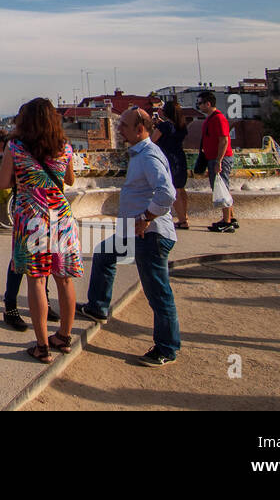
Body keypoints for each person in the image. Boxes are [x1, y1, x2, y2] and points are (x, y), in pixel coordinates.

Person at [76, 106, 181, 366]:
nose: (118, 129)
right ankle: (97, 306)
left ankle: (167, 348)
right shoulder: (140, 154)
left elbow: (167, 194)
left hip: (150, 233)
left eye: (123, 125)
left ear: (140, 128)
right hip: (134, 230)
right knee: (104, 254)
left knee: (158, 293)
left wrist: (146, 218)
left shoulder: (148, 156)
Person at [0, 98, 80, 362]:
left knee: (37, 279)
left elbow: (1, 184)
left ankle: (42, 345)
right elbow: (69, 179)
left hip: (32, 218)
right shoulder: (64, 147)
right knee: (64, 279)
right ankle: (64, 336)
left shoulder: (16, 146)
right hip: (62, 218)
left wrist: (26, 176)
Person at [198, 90, 237, 233]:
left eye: (200, 103)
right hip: (213, 157)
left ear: (208, 104)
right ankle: (230, 218)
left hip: (220, 158)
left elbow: (224, 139)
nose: (199, 106)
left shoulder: (218, 118)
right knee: (221, 187)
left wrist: (219, 161)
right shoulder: (210, 118)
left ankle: (226, 221)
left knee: (222, 188)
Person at [152, 100, 191, 229]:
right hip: (180, 157)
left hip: (169, 159)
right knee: (181, 188)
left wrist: (156, 127)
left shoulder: (164, 127)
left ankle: (182, 220)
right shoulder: (181, 125)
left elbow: (152, 141)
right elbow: (172, 131)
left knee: (175, 190)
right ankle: (184, 216)